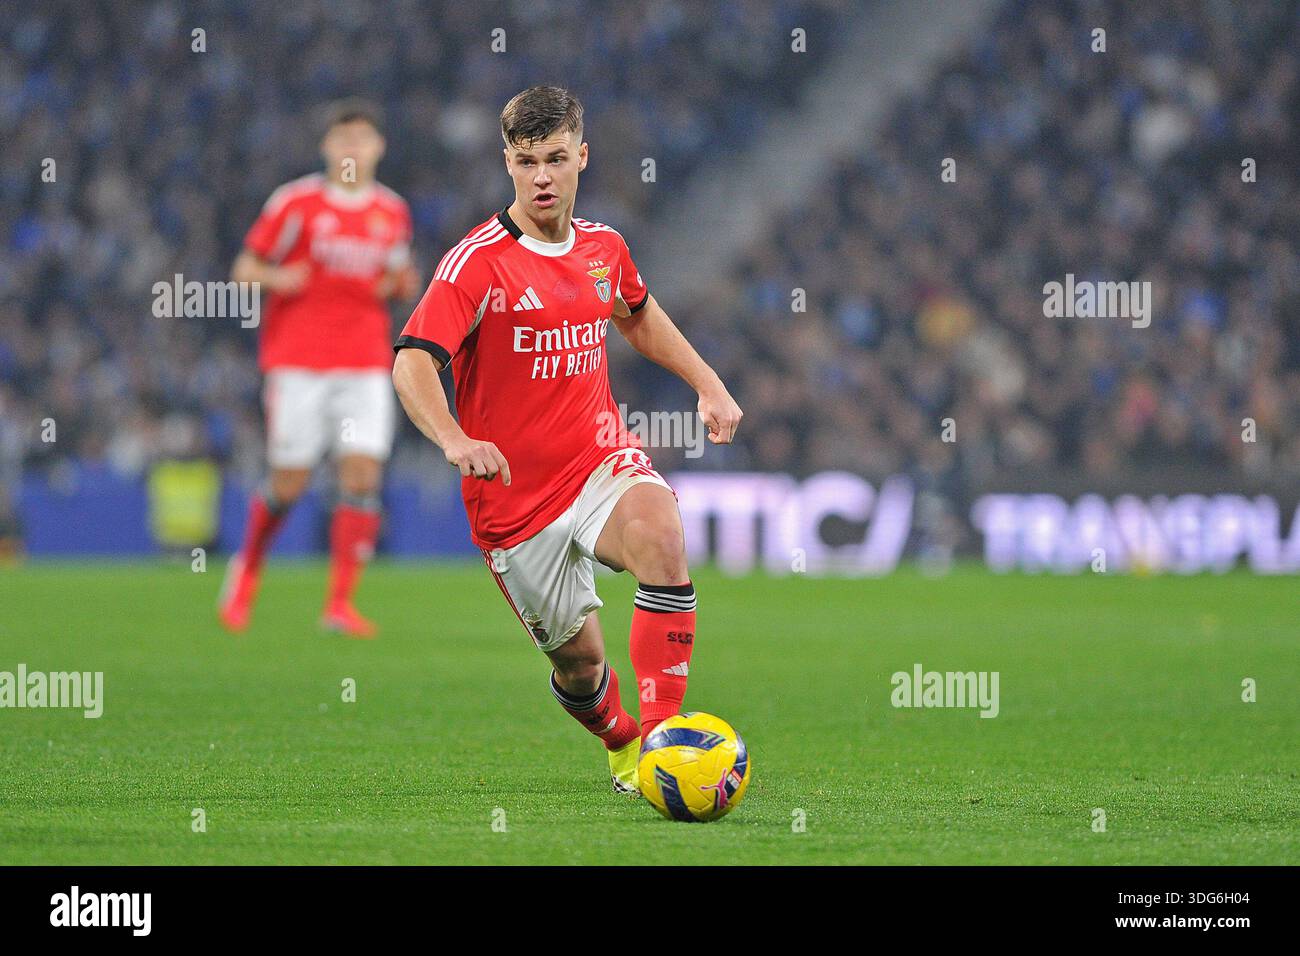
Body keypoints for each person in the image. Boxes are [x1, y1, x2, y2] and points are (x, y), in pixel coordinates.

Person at [392, 86, 742, 793]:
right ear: (509, 165)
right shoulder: (476, 263)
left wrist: (708, 383)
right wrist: (455, 439)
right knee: (580, 665)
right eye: (527, 162)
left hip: (597, 457)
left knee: (662, 538)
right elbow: (411, 363)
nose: (543, 176)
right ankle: (620, 740)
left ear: (582, 156)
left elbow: (636, 315)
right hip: (512, 500)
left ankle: (659, 747)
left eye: (556, 158)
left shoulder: (604, 247)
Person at [219, 99, 419, 638]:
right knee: (289, 481)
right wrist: (280, 279)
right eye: (343, 137)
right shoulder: (297, 202)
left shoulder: (391, 210)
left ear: (379, 147)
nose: (353, 147)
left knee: (362, 476)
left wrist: (400, 286)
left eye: (363, 137)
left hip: (364, 362)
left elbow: (400, 274)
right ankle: (246, 573)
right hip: (299, 362)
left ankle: (339, 605)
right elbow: (243, 268)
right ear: (327, 147)